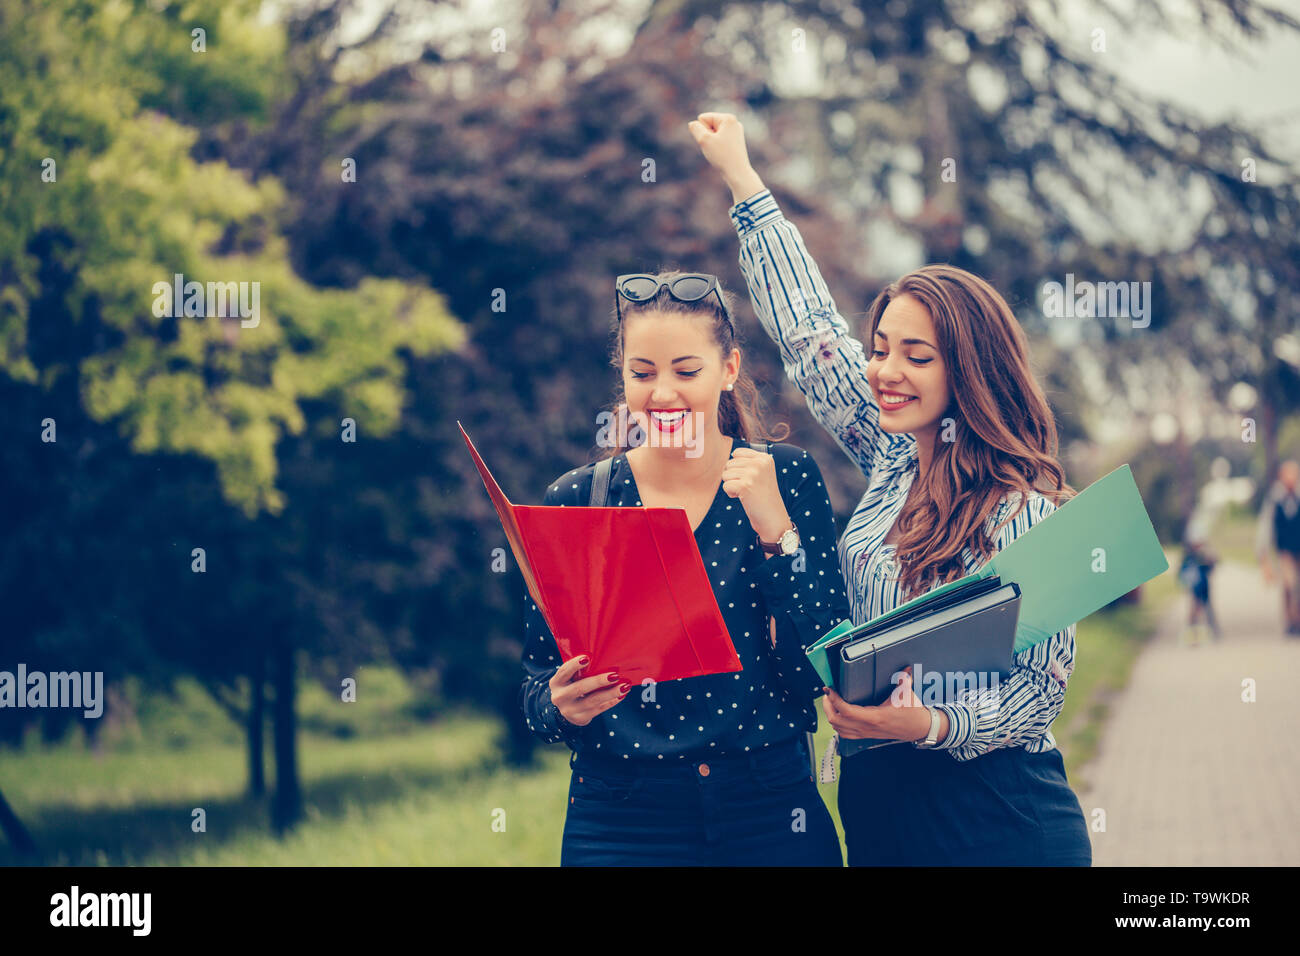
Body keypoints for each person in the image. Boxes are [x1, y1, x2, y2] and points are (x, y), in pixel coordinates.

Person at [691, 111, 1092, 866]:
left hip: (998, 816)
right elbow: (811, 336)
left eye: (916, 355)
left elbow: (1039, 691)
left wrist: (929, 723)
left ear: (968, 370)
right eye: (879, 349)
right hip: (881, 812)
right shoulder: (889, 456)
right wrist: (746, 184)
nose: (884, 371)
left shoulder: (1024, 511)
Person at [518, 270, 849, 866]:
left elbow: (822, 671)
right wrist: (559, 707)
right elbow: (535, 692)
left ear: (729, 370)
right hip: (620, 816)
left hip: (768, 808)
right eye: (642, 373)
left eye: (686, 371)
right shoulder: (579, 498)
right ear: (622, 377)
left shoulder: (787, 477)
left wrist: (778, 537)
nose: (663, 393)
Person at [1256, 460, 1300, 636]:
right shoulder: (1275, 499)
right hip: (1285, 549)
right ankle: (1291, 620)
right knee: (1289, 584)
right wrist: (1263, 555)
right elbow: (1265, 527)